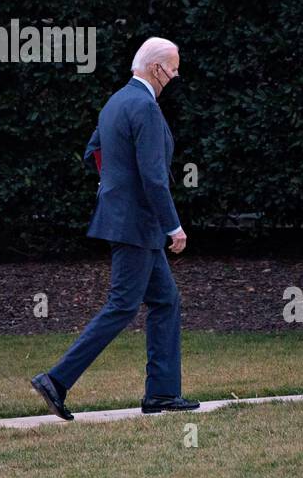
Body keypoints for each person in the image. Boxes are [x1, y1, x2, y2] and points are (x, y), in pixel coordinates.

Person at [30, 36, 200, 419]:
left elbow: (94, 152)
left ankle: (163, 393)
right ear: (156, 68)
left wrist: (114, 188)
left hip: (126, 220)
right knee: (122, 305)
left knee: (165, 300)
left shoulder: (115, 102)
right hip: (138, 226)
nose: (175, 75)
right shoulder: (145, 108)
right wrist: (173, 226)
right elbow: (155, 178)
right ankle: (56, 380)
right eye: (173, 68)